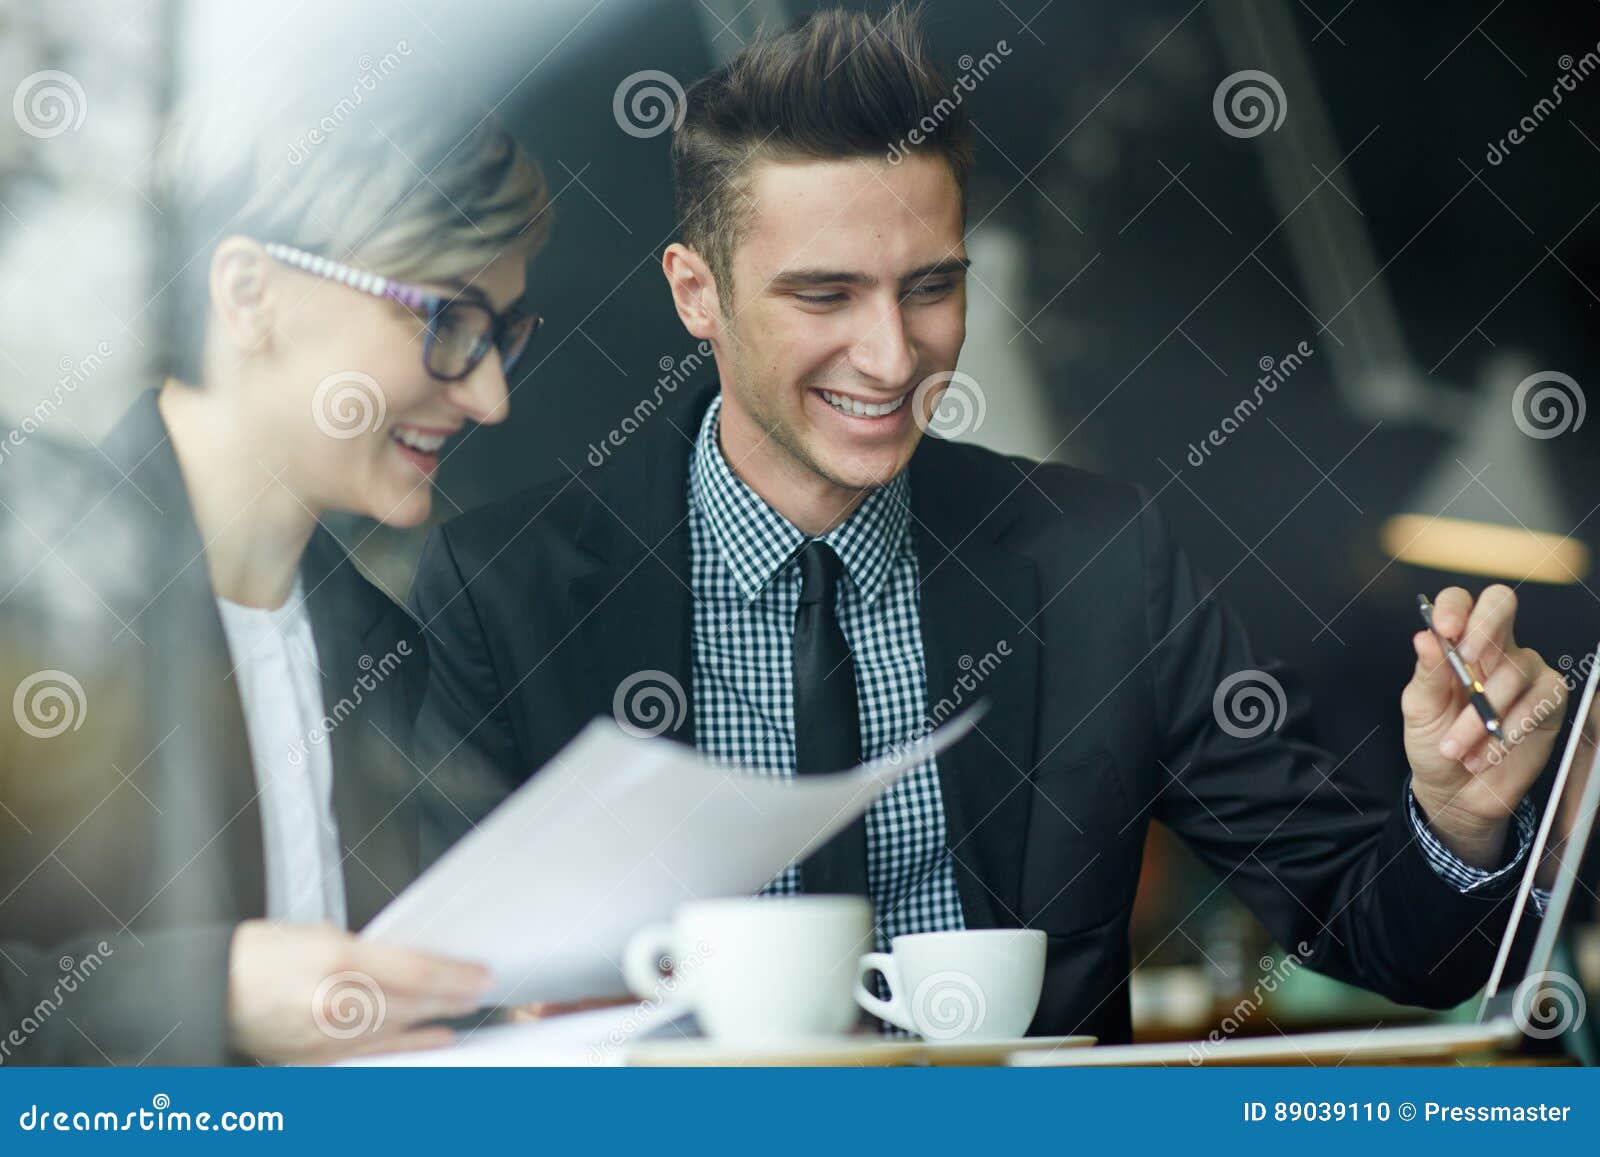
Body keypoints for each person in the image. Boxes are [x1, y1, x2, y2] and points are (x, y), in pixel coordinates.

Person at [408, 8, 1568, 1043]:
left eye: (929, 286)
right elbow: (414, 983)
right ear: (694, 291)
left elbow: (1374, 933)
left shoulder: (1101, 562)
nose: (891, 354)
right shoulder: (503, 583)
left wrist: (1456, 823)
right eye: (824, 294)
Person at [0, 81, 549, 1064]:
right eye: (451, 321)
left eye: (504, 333)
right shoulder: (32, 596)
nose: (490, 393)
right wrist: (201, 999)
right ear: (251, 293)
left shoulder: (395, 661)